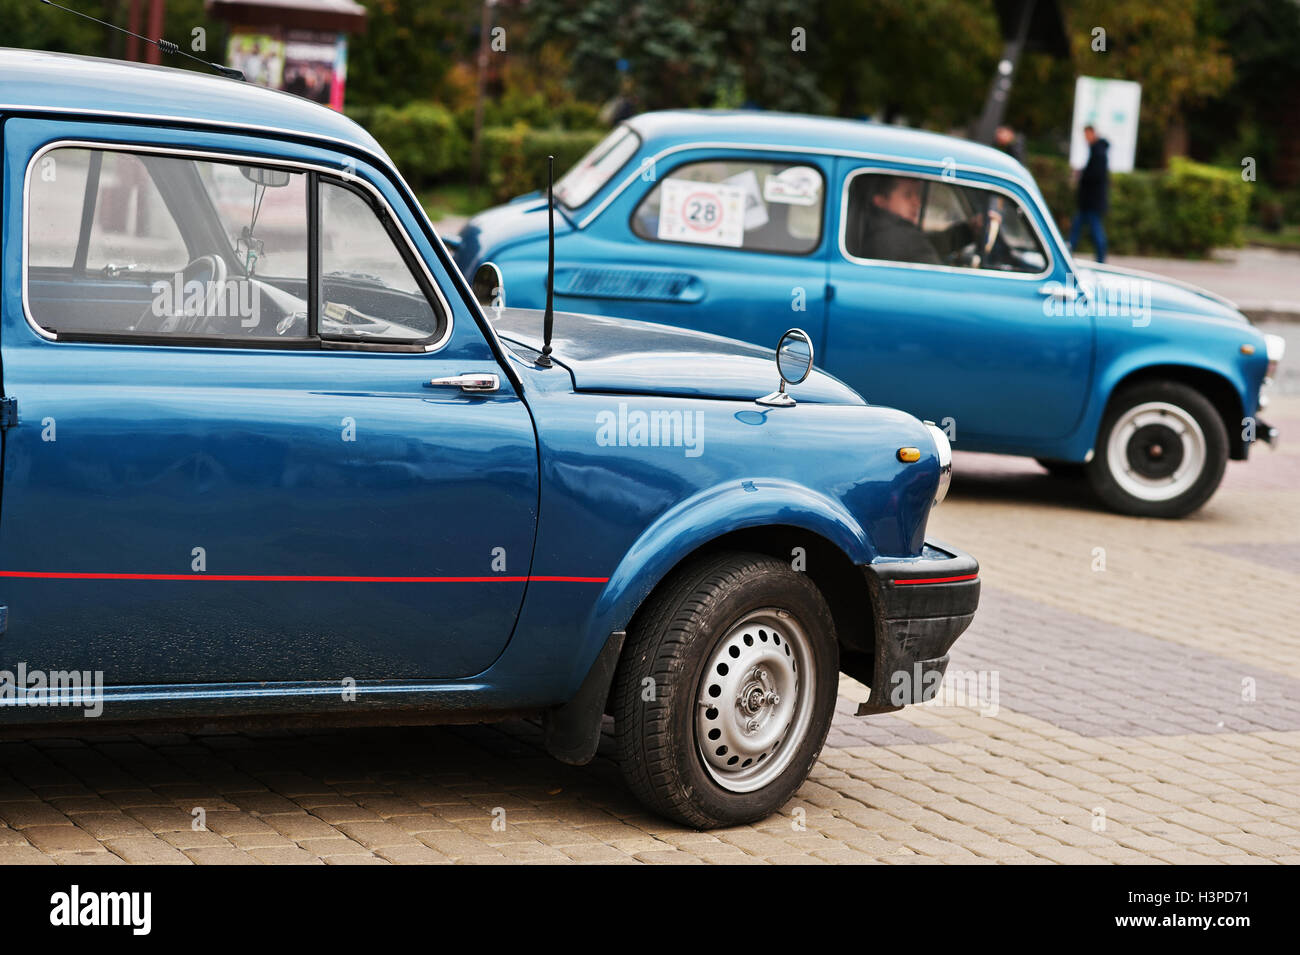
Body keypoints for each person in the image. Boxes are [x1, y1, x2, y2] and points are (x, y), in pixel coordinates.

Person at [1069, 125, 1110, 263]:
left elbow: (1096, 175)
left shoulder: (1098, 152)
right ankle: (1068, 254)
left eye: (1086, 135)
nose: (1085, 138)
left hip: (1091, 201)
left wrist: (1082, 176)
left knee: (1094, 231)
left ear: (1092, 133)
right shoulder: (1097, 150)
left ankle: (1100, 259)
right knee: (1078, 228)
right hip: (1089, 201)